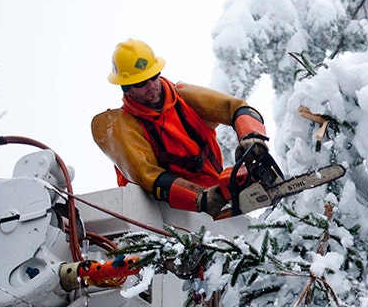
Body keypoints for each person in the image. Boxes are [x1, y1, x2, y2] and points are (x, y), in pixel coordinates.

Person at [91, 38, 268, 216]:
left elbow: (236, 108)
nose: (151, 86)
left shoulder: (184, 97)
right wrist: (198, 198)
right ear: (126, 88)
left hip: (215, 196)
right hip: (160, 212)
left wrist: (253, 137)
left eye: (153, 76)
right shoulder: (123, 126)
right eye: (141, 83)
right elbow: (149, 176)